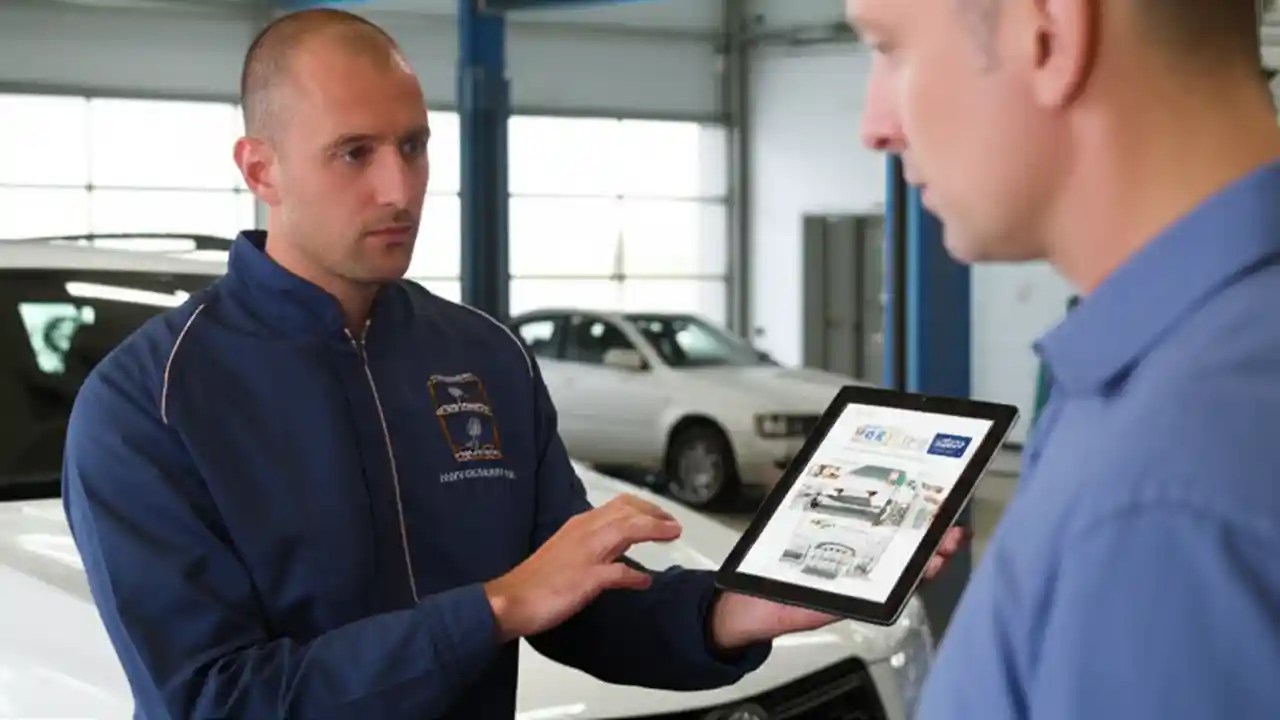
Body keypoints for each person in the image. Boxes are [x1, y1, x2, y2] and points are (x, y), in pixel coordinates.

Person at [59, 9, 965, 718]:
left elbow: (580, 603)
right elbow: (216, 701)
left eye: (414, 145)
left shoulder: (480, 356)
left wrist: (742, 610)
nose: (399, 188)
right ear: (260, 169)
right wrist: (493, 609)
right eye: (354, 153)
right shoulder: (151, 405)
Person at [848, 0, 1280, 717]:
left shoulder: (1163, 493)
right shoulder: (1179, 373)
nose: (875, 127)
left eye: (890, 49)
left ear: (1049, 33)